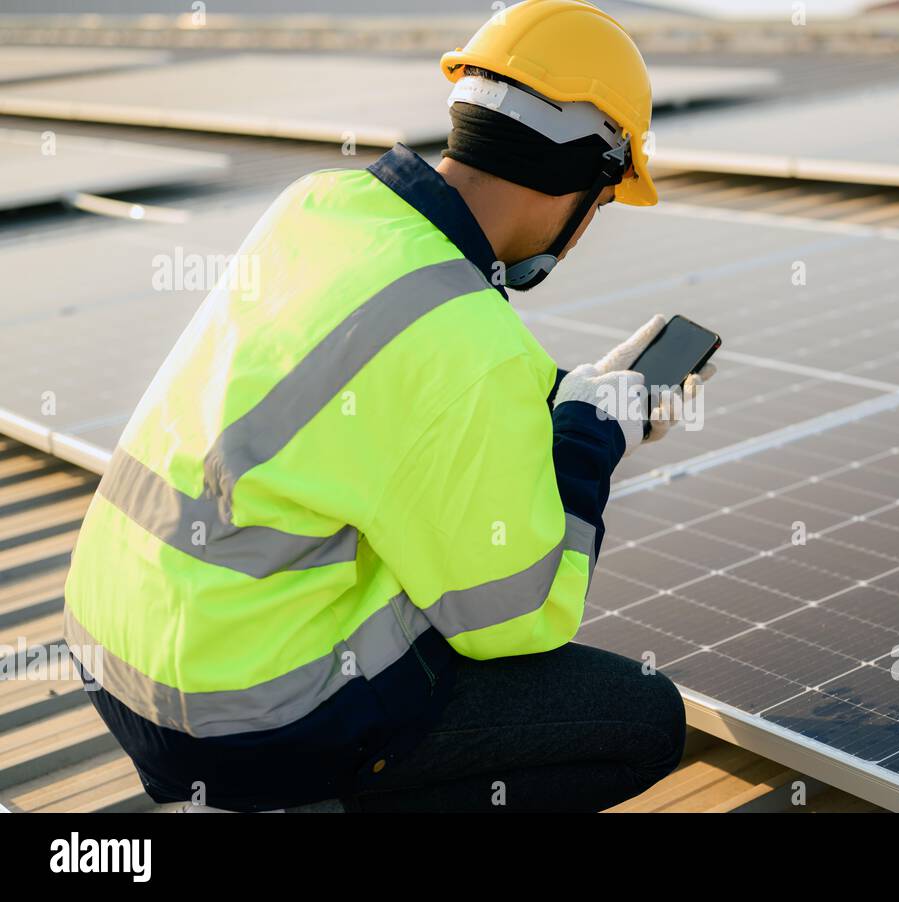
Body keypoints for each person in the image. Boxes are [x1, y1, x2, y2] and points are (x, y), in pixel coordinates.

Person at [62, 0, 716, 813]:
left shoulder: (320, 207)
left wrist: (554, 399)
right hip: (240, 724)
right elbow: (522, 613)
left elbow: (378, 385)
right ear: (585, 175)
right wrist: (590, 435)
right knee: (643, 717)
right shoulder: (470, 340)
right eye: (606, 199)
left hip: (112, 648)